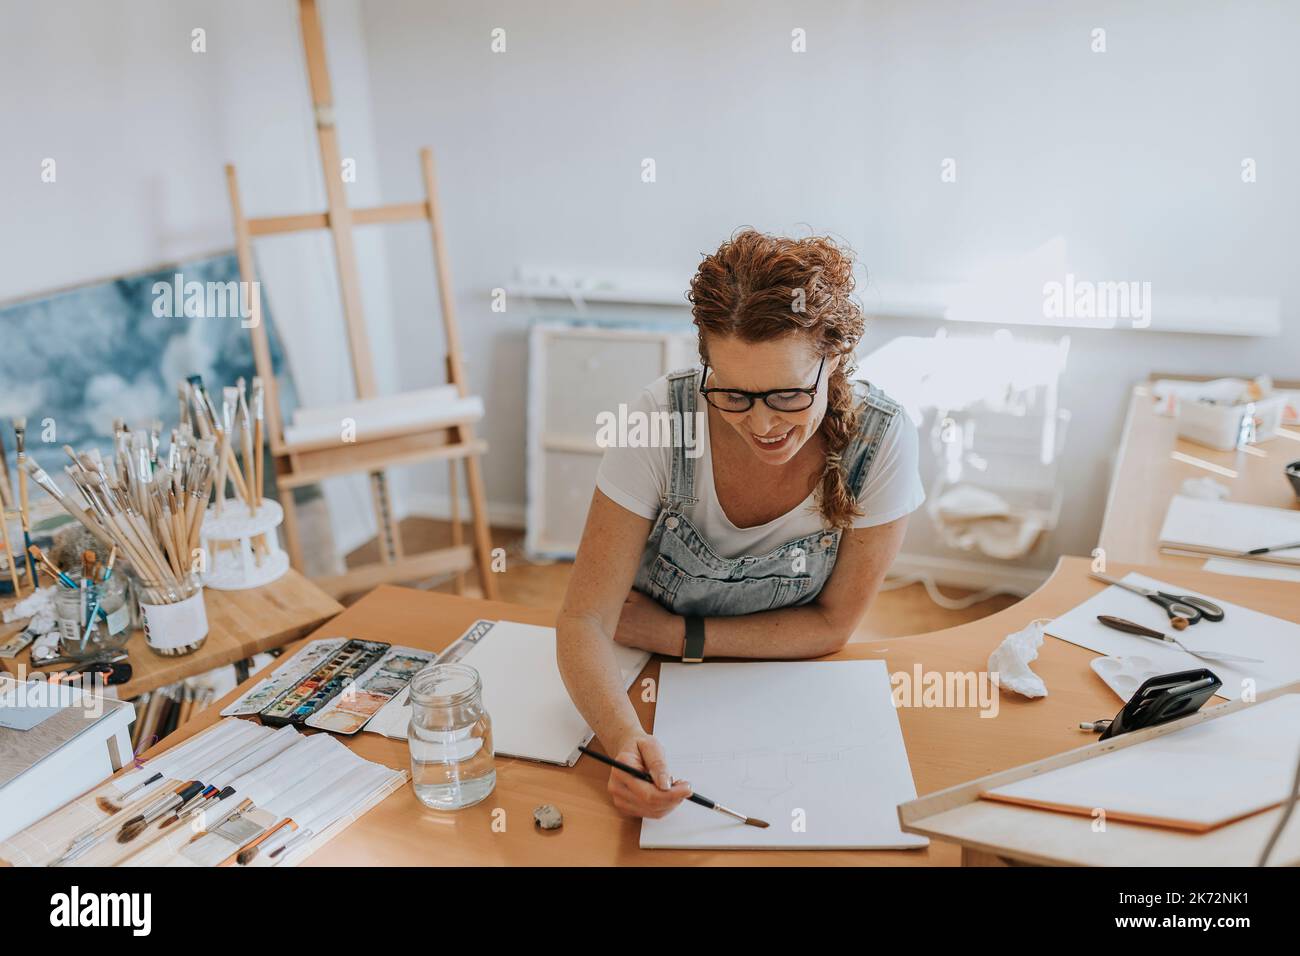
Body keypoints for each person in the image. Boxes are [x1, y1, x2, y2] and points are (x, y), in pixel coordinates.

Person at [557, 229, 924, 818]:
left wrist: (680, 636)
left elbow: (833, 626)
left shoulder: (881, 440)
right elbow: (586, 619)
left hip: (782, 685)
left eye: (787, 395)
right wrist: (624, 741)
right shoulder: (659, 419)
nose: (761, 425)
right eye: (731, 394)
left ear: (833, 360)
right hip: (641, 681)